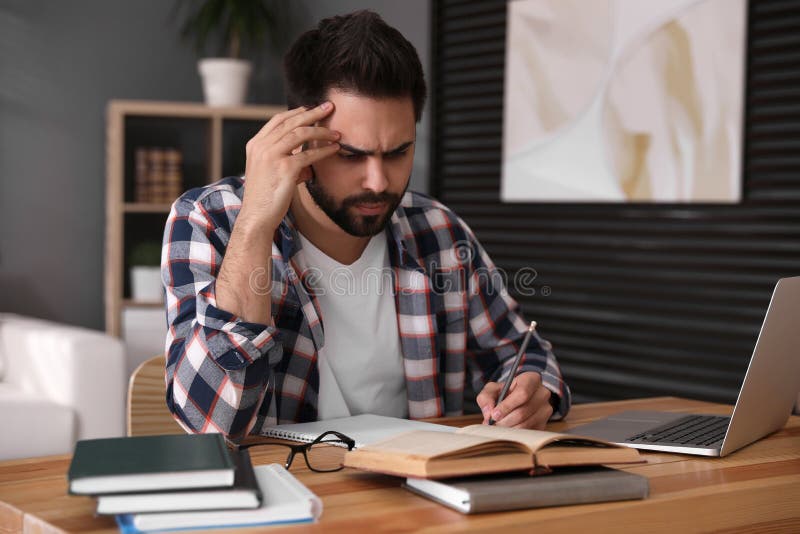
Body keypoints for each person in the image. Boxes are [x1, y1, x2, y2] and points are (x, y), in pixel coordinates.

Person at [162, 10, 571, 443]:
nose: (378, 182)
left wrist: (532, 388)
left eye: (397, 153)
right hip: (283, 491)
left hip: (419, 496)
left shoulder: (438, 231)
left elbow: (521, 353)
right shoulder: (212, 220)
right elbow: (213, 425)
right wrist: (256, 225)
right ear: (297, 140)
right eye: (351, 156)